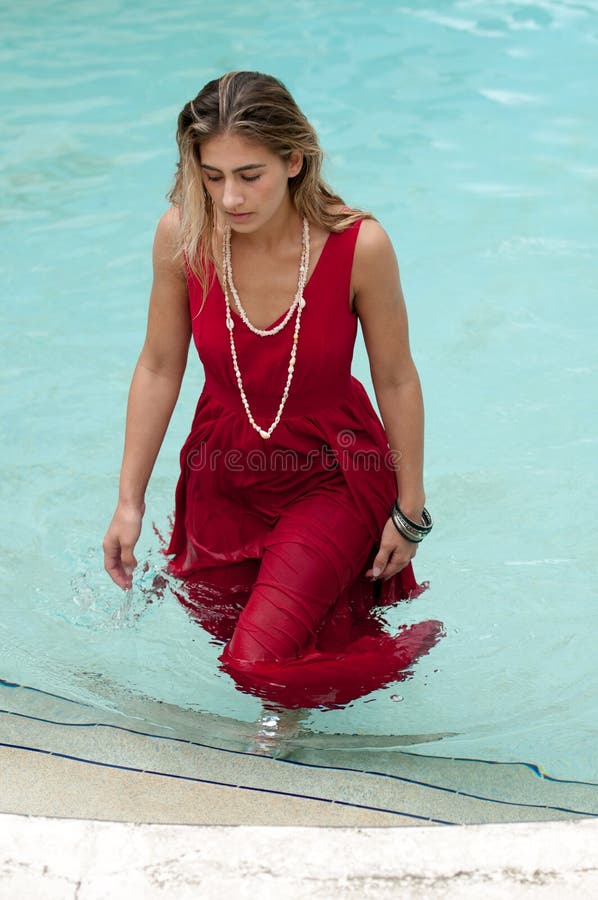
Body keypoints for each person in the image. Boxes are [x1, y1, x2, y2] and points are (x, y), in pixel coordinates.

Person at [103, 70, 442, 714]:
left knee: (253, 661)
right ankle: (295, 713)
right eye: (212, 175)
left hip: (333, 470)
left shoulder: (358, 245)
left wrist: (410, 508)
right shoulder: (183, 234)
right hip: (223, 470)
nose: (229, 197)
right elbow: (157, 367)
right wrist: (129, 500)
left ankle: (406, 649)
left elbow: (395, 375)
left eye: (249, 174)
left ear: (294, 160)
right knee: (236, 631)